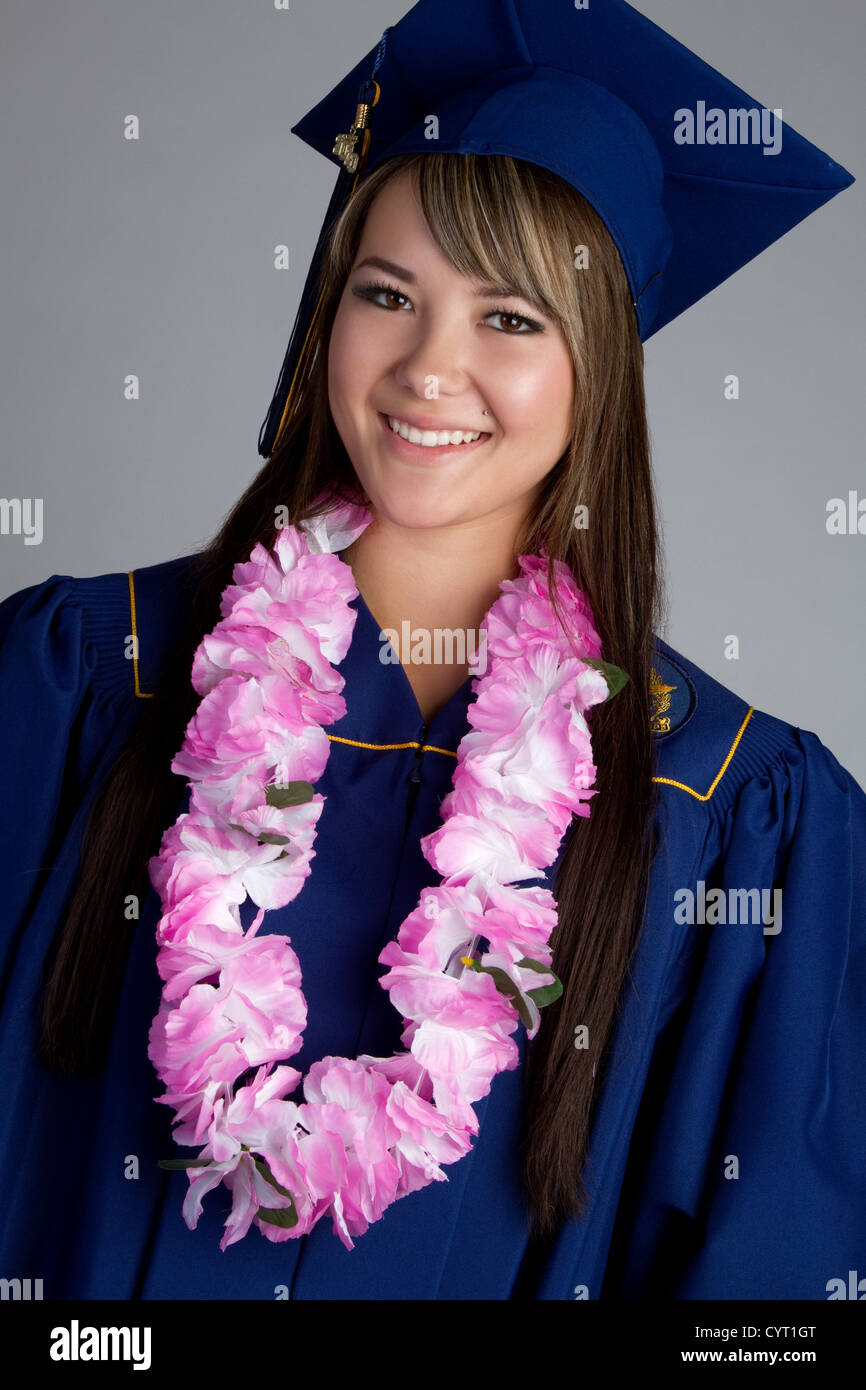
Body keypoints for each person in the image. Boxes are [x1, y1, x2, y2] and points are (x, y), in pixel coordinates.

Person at [1, 0, 863, 1301]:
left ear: (601, 367)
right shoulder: (85, 674)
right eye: (386, 294)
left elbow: (771, 1288)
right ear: (325, 316)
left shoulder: (726, 797)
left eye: (510, 318)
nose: (427, 368)